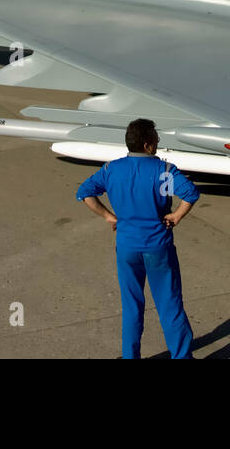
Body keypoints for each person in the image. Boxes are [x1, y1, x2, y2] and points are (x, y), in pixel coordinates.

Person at [76, 118, 198, 359]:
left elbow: (85, 193)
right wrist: (176, 216)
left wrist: (109, 217)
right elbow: (190, 193)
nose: (158, 142)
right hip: (158, 247)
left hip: (127, 247)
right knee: (169, 305)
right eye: (156, 139)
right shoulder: (164, 171)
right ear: (147, 145)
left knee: (132, 306)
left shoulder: (111, 169)